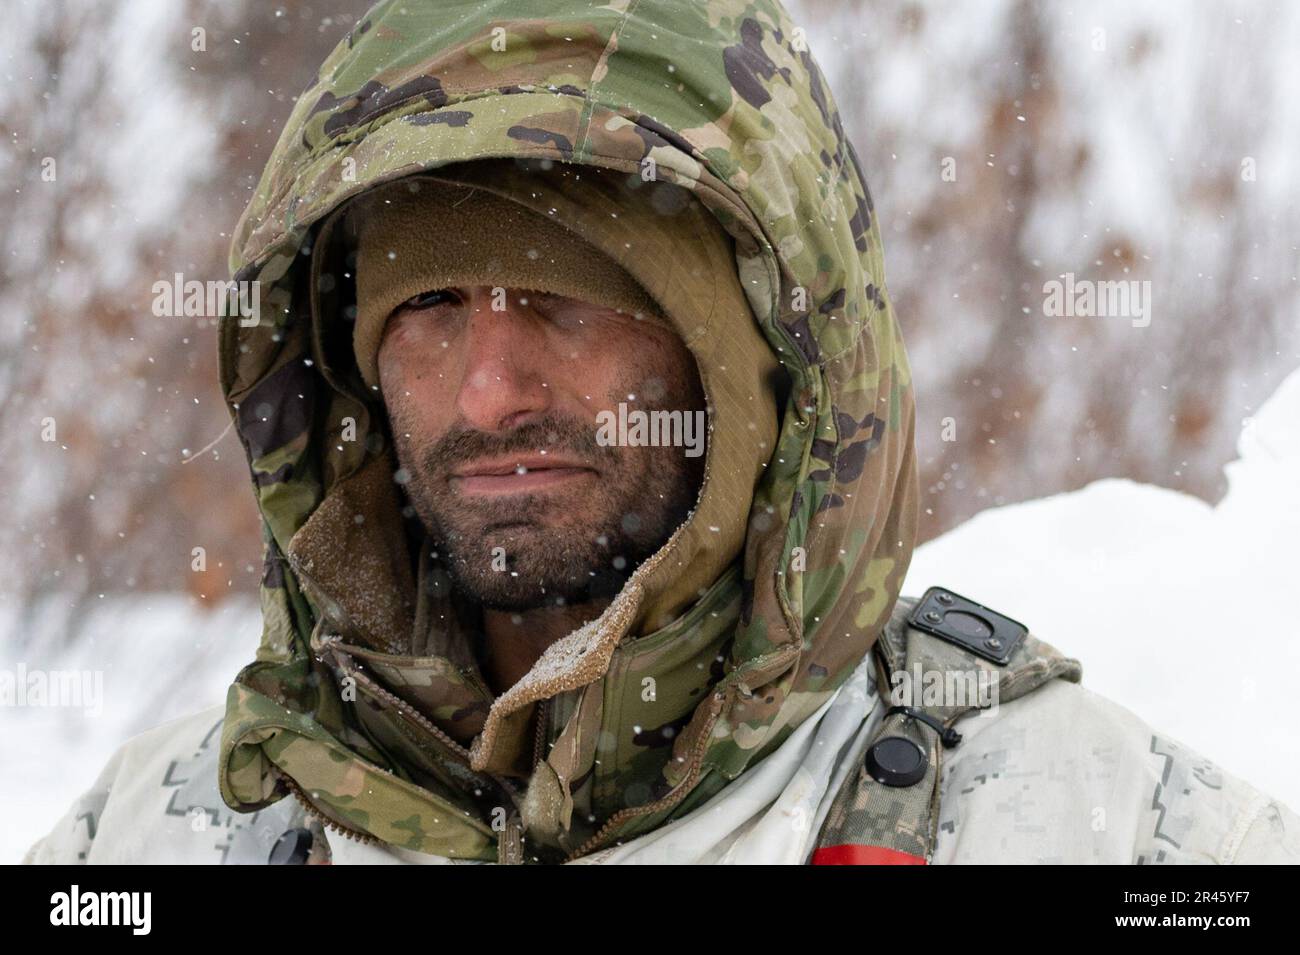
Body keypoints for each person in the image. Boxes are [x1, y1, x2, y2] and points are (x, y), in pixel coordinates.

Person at [26, 0, 1298, 865]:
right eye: (429, 310)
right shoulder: (154, 843)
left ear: (751, 366)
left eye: (568, 306)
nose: (485, 394)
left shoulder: (1114, 835)